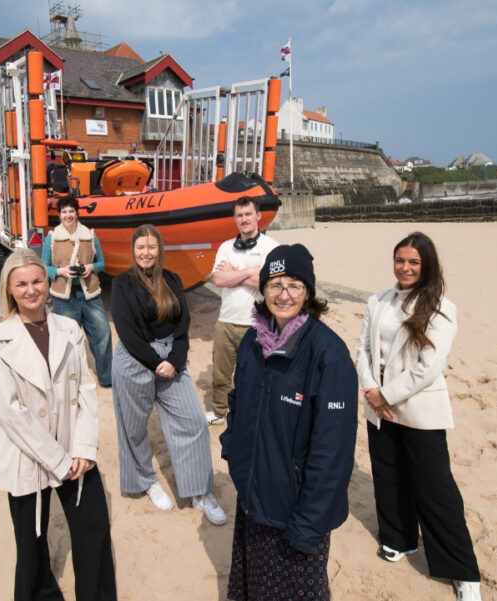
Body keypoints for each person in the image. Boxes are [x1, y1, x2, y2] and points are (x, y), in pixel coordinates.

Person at [221, 243, 358, 601]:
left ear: (308, 292)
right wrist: (233, 449)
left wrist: (308, 525)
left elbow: (333, 454)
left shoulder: (328, 353)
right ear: (262, 290)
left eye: (294, 285)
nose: (284, 295)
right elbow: (238, 401)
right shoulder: (253, 340)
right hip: (254, 500)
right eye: (275, 284)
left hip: (295, 514)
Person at [0, 248, 116, 601]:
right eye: (21, 283)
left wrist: (83, 449)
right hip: (30, 455)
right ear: (9, 289)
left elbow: (86, 389)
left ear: (48, 281)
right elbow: (10, 411)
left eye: (37, 280)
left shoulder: (69, 328)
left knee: (94, 531)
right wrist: (57, 459)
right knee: (31, 547)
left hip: (76, 451)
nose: (31, 290)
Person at [356, 232, 482, 601]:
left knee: (436, 487)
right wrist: (370, 389)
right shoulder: (378, 301)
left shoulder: (441, 307)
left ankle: (462, 571)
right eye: (400, 260)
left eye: (413, 262)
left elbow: (429, 368)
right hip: (378, 406)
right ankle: (399, 538)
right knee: (388, 474)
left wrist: (386, 394)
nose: (406, 268)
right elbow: (363, 347)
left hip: (417, 407)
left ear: (426, 265)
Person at [110, 224, 227, 525]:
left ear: (159, 249)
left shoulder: (172, 279)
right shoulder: (122, 284)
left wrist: (175, 360)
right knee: (133, 428)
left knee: (194, 422)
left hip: (171, 361)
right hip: (135, 360)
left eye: (151, 247)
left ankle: (200, 492)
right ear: (133, 250)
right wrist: (154, 361)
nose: (146, 253)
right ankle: (146, 480)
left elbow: (183, 325)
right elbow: (126, 332)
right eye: (140, 248)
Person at [205, 196, 279, 426]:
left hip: (257, 323)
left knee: (255, 374)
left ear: (258, 216)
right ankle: (219, 411)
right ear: (235, 219)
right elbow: (218, 279)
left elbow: (269, 287)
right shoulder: (226, 247)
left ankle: (252, 413)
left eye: (248, 214)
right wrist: (250, 271)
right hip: (226, 321)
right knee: (221, 372)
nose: (244, 219)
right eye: (240, 215)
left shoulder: (272, 247)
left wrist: (234, 273)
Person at [42, 196, 113, 387]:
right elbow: (43, 267)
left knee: (103, 334)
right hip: (64, 299)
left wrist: (91, 267)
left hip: (90, 294)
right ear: (59, 215)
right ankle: (69, 380)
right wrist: (60, 271)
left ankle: (107, 377)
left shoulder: (90, 235)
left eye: (71, 211)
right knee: (67, 341)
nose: (68, 215)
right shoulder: (52, 238)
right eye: (64, 212)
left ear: (77, 213)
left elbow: (102, 263)